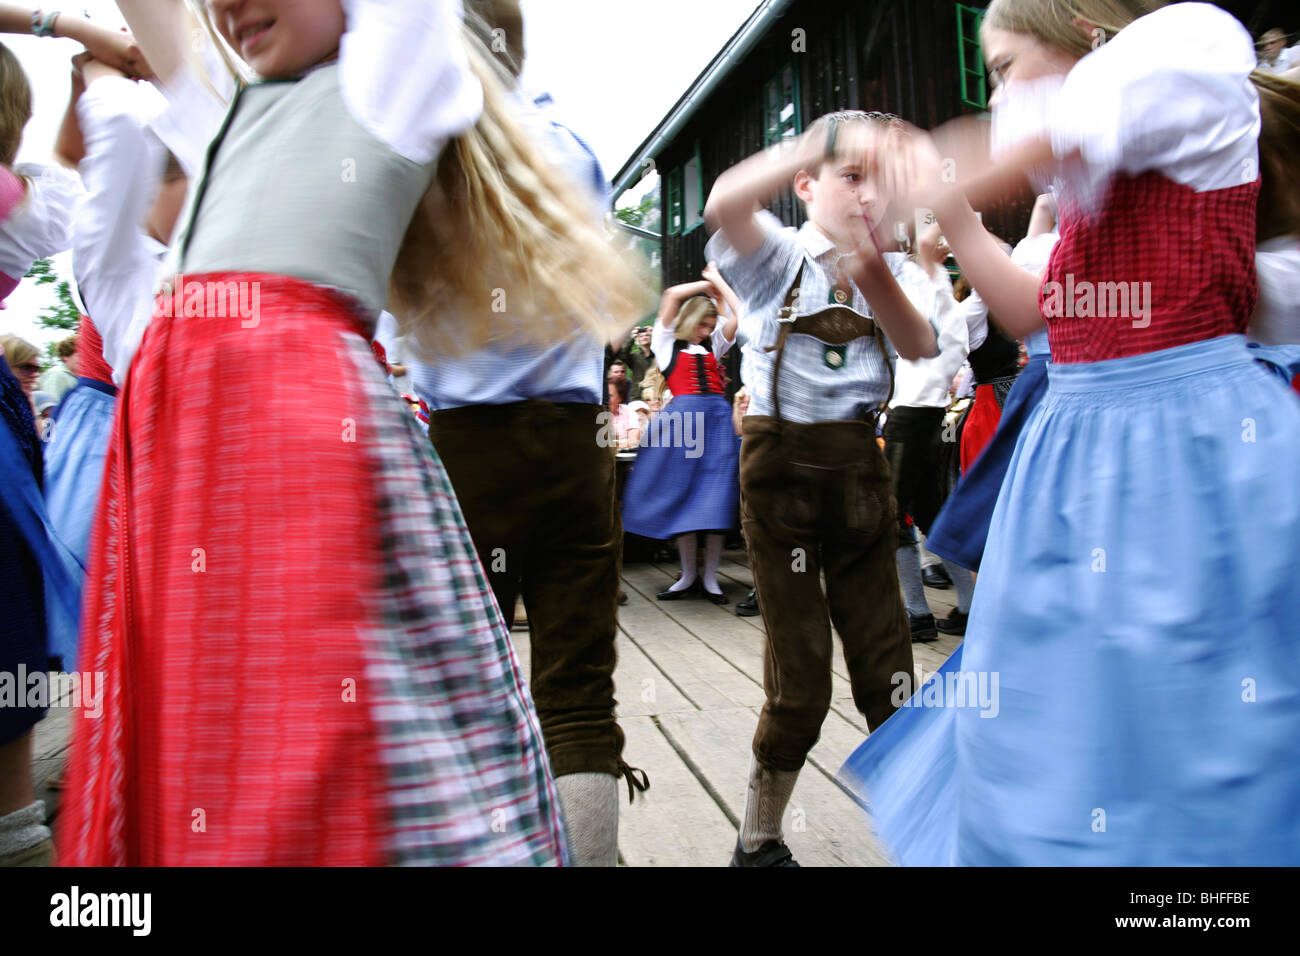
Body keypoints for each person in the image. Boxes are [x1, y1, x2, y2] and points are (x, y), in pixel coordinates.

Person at [58, 0, 642, 867]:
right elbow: (156, 23)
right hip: (184, 458)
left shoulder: (390, 83)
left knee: (319, 739)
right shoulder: (230, 114)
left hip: (296, 432)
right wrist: (57, 26)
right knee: (213, 718)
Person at [843, 0, 1300, 865]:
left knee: (1186, 706)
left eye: (1008, 68)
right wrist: (949, 221)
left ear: (1086, 32)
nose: (1002, 94)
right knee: (1062, 715)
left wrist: (925, 167)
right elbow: (1035, 314)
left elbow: (1060, 131)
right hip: (1079, 452)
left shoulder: (1182, 49)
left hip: (1182, 440)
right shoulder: (1095, 190)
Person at [704, 108, 943, 866]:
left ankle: (927, 832)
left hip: (861, 478)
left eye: (885, 182)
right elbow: (725, 206)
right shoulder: (778, 260)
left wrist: (873, 268)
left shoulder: (899, 271)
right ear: (805, 184)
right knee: (801, 676)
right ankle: (758, 837)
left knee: (890, 665)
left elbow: (920, 345)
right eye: (851, 176)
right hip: (782, 485)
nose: (870, 195)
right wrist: (813, 143)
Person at [43, 51, 188, 672]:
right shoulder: (117, 261)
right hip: (122, 429)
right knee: (110, 599)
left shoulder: (215, 257)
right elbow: (107, 138)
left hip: (190, 470)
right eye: (179, 178)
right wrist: (94, 63)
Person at [621, 267, 739, 605]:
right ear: (691, 321)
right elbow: (672, 295)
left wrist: (720, 288)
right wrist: (709, 281)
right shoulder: (667, 343)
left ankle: (712, 578)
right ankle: (688, 576)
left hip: (717, 422)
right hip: (684, 425)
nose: (707, 331)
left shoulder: (715, 344)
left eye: (711, 326)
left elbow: (739, 312)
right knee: (687, 496)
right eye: (702, 325)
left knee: (715, 499)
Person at [885, 223, 972, 638]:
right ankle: (969, 607)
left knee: (893, 517)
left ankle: (917, 615)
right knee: (931, 515)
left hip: (910, 418)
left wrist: (929, 250)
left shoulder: (941, 313)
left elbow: (927, 294)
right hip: (930, 418)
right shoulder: (951, 319)